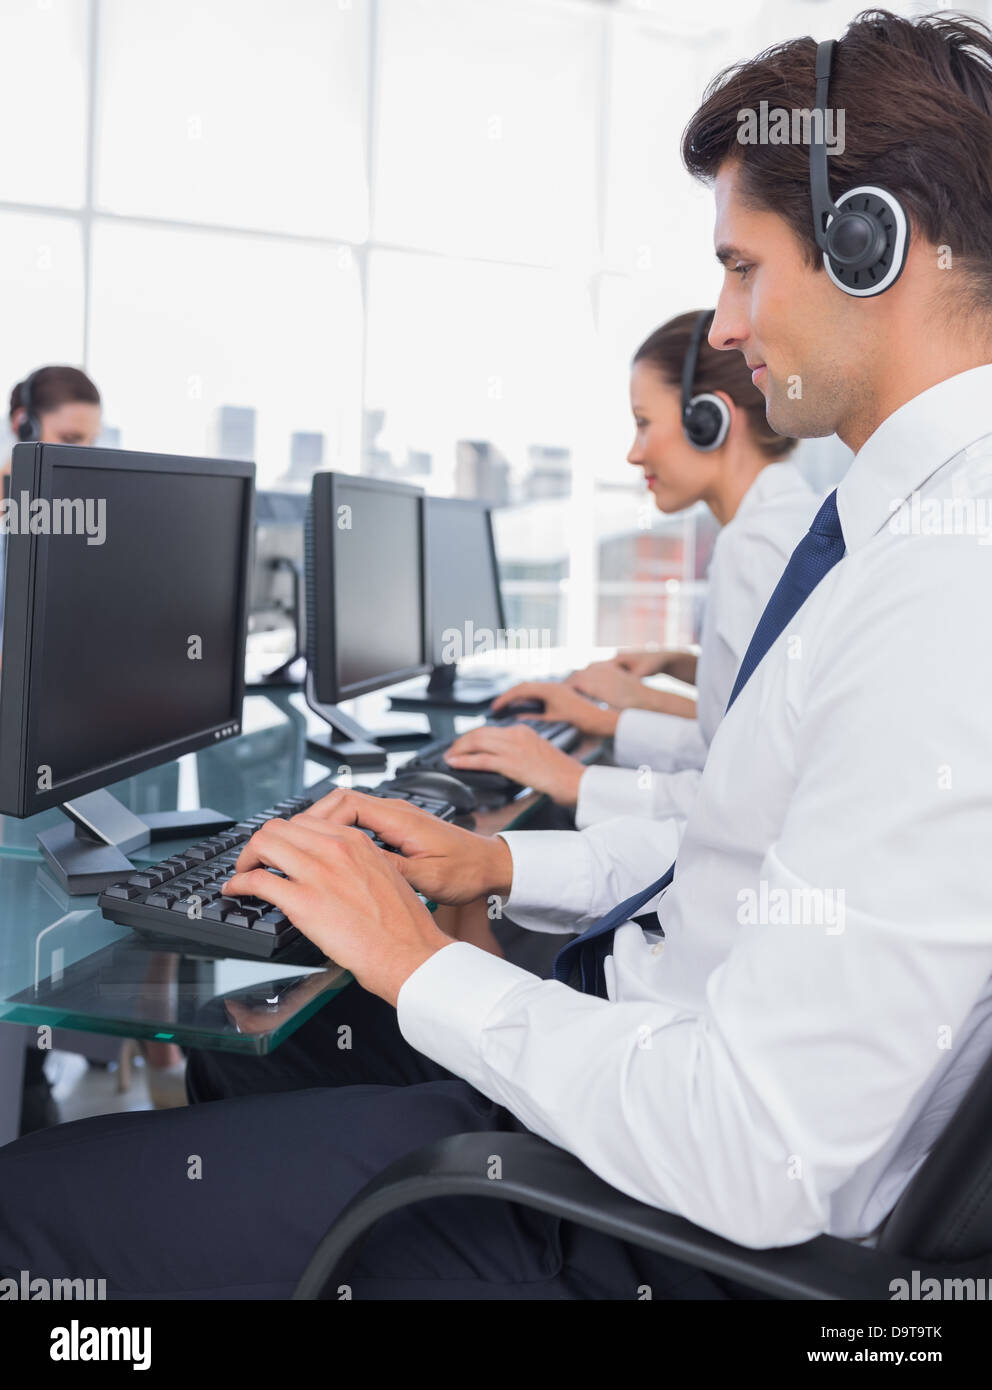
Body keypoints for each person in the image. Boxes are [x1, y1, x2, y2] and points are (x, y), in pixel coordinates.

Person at [2, 9, 992, 1301]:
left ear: (875, 247)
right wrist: (501, 861)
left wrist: (426, 963)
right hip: (646, 1066)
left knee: (31, 1217)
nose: (731, 330)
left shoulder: (944, 589)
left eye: (744, 267)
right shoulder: (905, 531)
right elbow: (749, 851)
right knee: (264, 1031)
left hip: (648, 1220)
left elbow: (757, 1149)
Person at [441, 310, 816, 829]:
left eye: (643, 423)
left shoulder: (754, 547)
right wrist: (608, 716)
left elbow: (754, 797)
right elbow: (732, 746)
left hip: (742, 884)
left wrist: (573, 780)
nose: (634, 453)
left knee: (481, 854)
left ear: (709, 419)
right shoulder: (785, 526)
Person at [1, 368, 186, 1123]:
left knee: (148, 833)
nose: (81, 455)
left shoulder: (75, 523)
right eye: (70, 440)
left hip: (56, 748)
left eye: (91, 442)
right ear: (22, 426)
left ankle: (129, 1041)